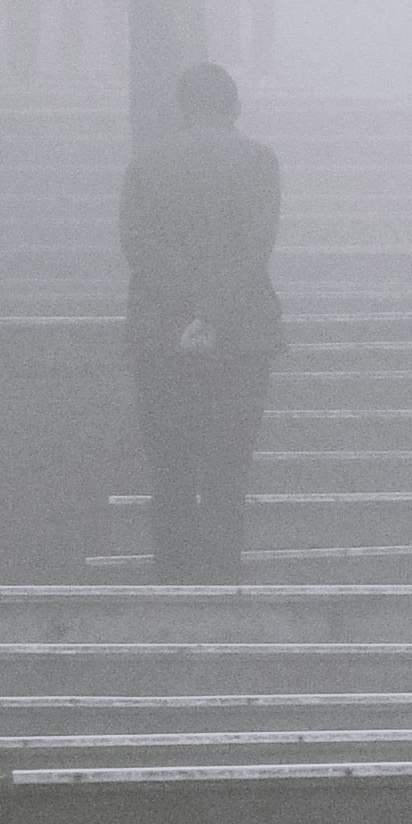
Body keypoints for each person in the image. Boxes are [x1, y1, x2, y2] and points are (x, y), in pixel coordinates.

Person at [120, 59, 284, 579]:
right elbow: (253, 248)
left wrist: (186, 312)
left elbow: (138, 247)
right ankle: (220, 577)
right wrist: (212, 313)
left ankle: (173, 578)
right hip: (241, 336)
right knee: (227, 468)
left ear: (181, 108)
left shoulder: (146, 165)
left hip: (161, 333)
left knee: (169, 465)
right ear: (235, 107)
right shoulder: (259, 161)